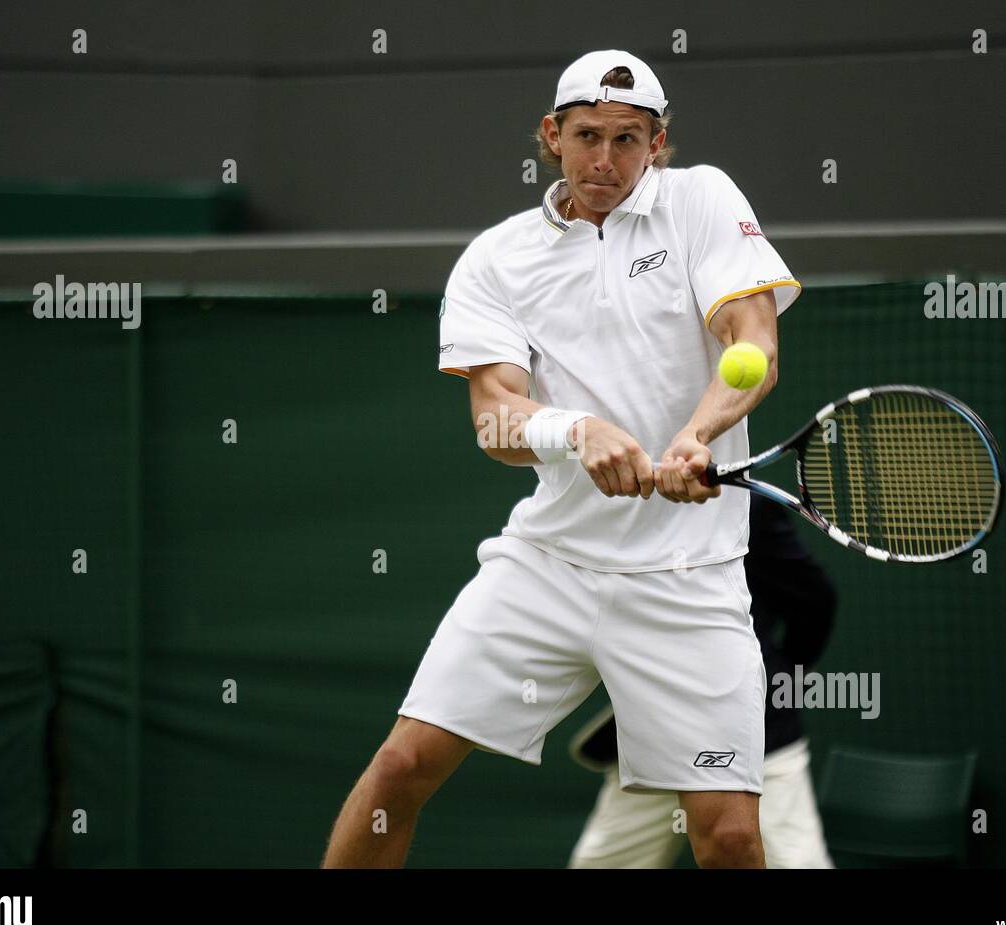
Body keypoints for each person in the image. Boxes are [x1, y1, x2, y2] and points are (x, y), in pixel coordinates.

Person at [322, 48, 801, 869]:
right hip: (550, 565)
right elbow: (494, 421)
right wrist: (575, 432)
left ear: (659, 142)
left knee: (728, 836)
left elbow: (751, 339)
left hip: (690, 578)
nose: (605, 159)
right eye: (587, 136)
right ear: (551, 134)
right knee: (400, 769)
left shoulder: (702, 201)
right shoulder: (497, 259)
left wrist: (697, 432)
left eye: (628, 138)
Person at [568, 495, 838, 868]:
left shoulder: (747, 507)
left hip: (759, 744)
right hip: (653, 739)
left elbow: (815, 604)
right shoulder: (604, 507)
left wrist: (768, 685)